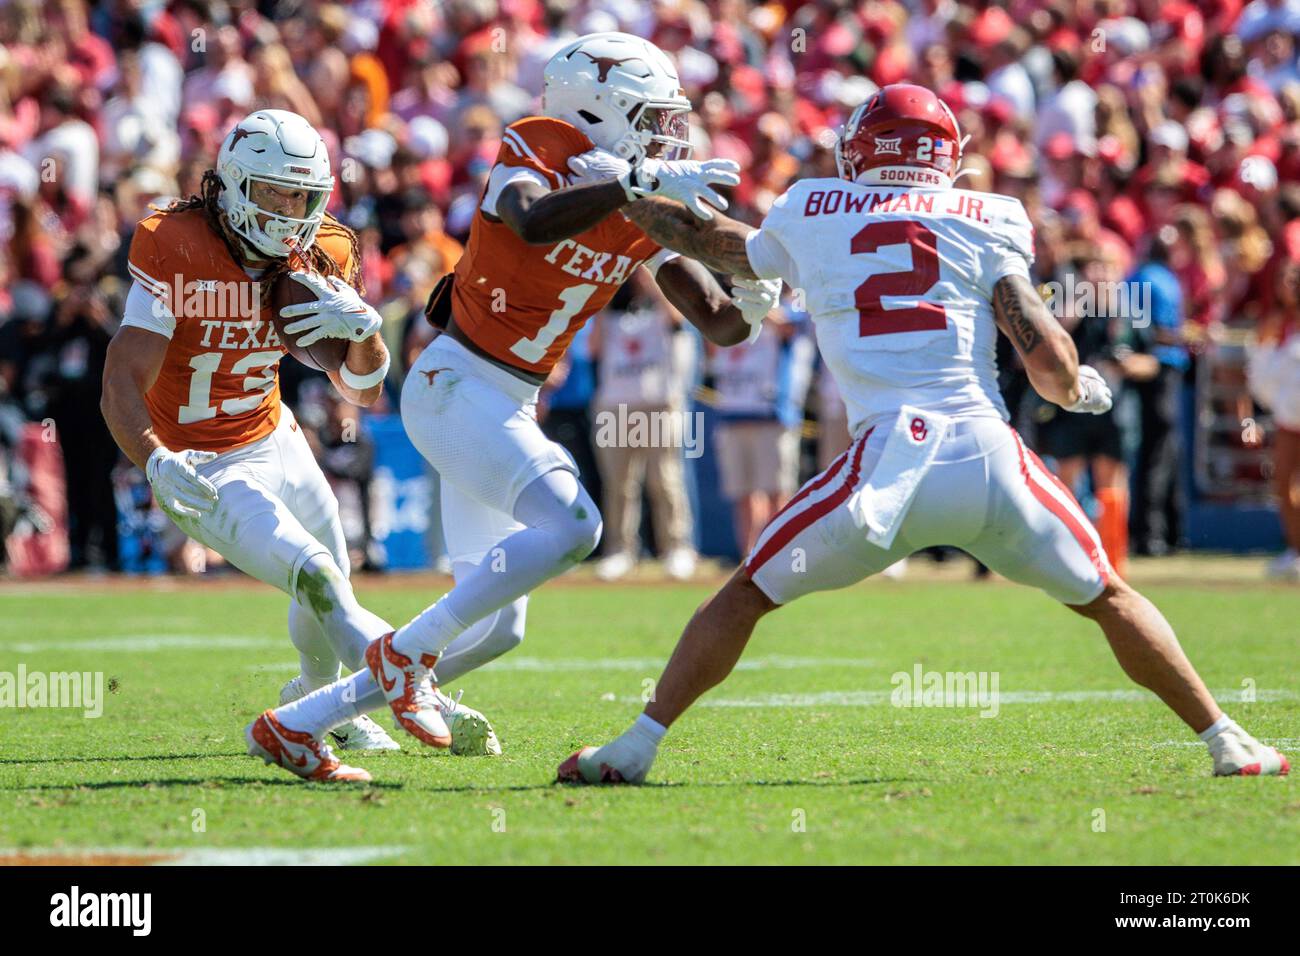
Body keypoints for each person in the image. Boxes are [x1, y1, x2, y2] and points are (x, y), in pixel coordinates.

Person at [558, 84, 1290, 784]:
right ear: (947, 154)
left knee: (748, 591)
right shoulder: (988, 214)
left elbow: (712, 243)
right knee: (1108, 596)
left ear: (860, 150)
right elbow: (1043, 356)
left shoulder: (813, 205)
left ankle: (636, 746)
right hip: (986, 460)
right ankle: (1227, 740)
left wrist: (627, 191)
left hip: (884, 466)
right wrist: (1075, 387)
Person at [251, 33, 778, 777]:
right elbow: (531, 216)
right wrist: (629, 182)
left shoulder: (635, 190)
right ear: (599, 107)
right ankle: (404, 657)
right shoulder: (543, 142)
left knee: (500, 629)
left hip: (505, 402)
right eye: (651, 116)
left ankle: (303, 720)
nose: (667, 134)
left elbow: (719, 319)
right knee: (574, 525)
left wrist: (759, 285)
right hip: (456, 383)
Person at [100, 110, 495, 783]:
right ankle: (410, 684)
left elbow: (364, 389)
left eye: (304, 196)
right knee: (313, 571)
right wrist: (155, 458)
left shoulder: (327, 251)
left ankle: (319, 702)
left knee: (332, 575)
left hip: (272, 429)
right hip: (202, 462)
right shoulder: (178, 242)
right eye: (275, 194)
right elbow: (119, 381)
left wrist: (367, 330)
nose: (291, 212)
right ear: (231, 187)